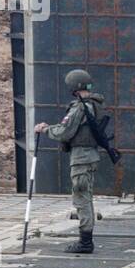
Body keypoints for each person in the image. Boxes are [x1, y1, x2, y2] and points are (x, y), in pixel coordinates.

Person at [35, 69, 105, 254]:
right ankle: (85, 240)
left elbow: (65, 131)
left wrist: (45, 129)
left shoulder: (81, 107)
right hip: (89, 156)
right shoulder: (94, 104)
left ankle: (85, 242)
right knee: (86, 198)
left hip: (81, 158)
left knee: (81, 199)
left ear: (74, 87)